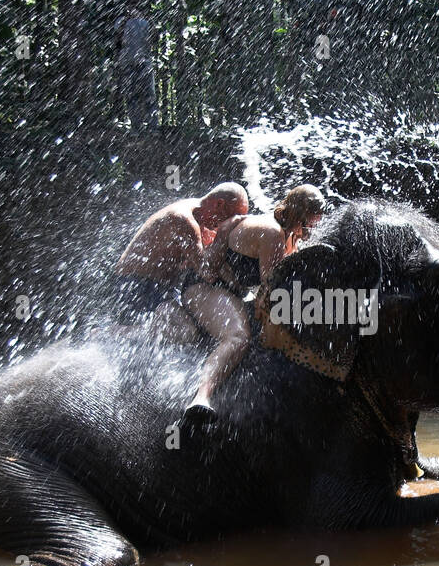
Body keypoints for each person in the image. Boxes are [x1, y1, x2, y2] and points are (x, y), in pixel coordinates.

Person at [181, 184, 326, 428]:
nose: (313, 227)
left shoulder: (290, 238)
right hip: (205, 290)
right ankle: (201, 397)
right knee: (239, 337)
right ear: (301, 214)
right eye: (312, 222)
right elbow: (270, 294)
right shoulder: (272, 234)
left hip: (235, 295)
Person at [112, 183, 249, 327]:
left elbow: (216, 264)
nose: (227, 224)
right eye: (231, 218)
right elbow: (207, 272)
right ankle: (113, 332)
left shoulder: (203, 221)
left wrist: (242, 291)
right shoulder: (183, 220)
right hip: (135, 286)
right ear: (219, 204)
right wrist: (224, 233)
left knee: (198, 325)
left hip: (162, 288)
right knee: (185, 331)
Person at [117, 0, 157, 131]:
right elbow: (152, 41)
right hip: (140, 62)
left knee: (134, 95)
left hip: (132, 62)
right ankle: (149, 127)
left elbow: (118, 41)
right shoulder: (144, 23)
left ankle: (139, 126)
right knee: (145, 96)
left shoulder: (123, 22)